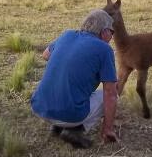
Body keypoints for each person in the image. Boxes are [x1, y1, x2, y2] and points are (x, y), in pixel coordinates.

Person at [31, 9, 118, 148]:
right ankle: (75, 130)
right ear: (104, 31)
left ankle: (57, 126)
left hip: (40, 107)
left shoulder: (67, 34)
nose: (112, 37)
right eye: (111, 32)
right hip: (70, 115)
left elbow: (45, 55)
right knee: (107, 96)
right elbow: (110, 93)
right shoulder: (104, 50)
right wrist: (108, 128)